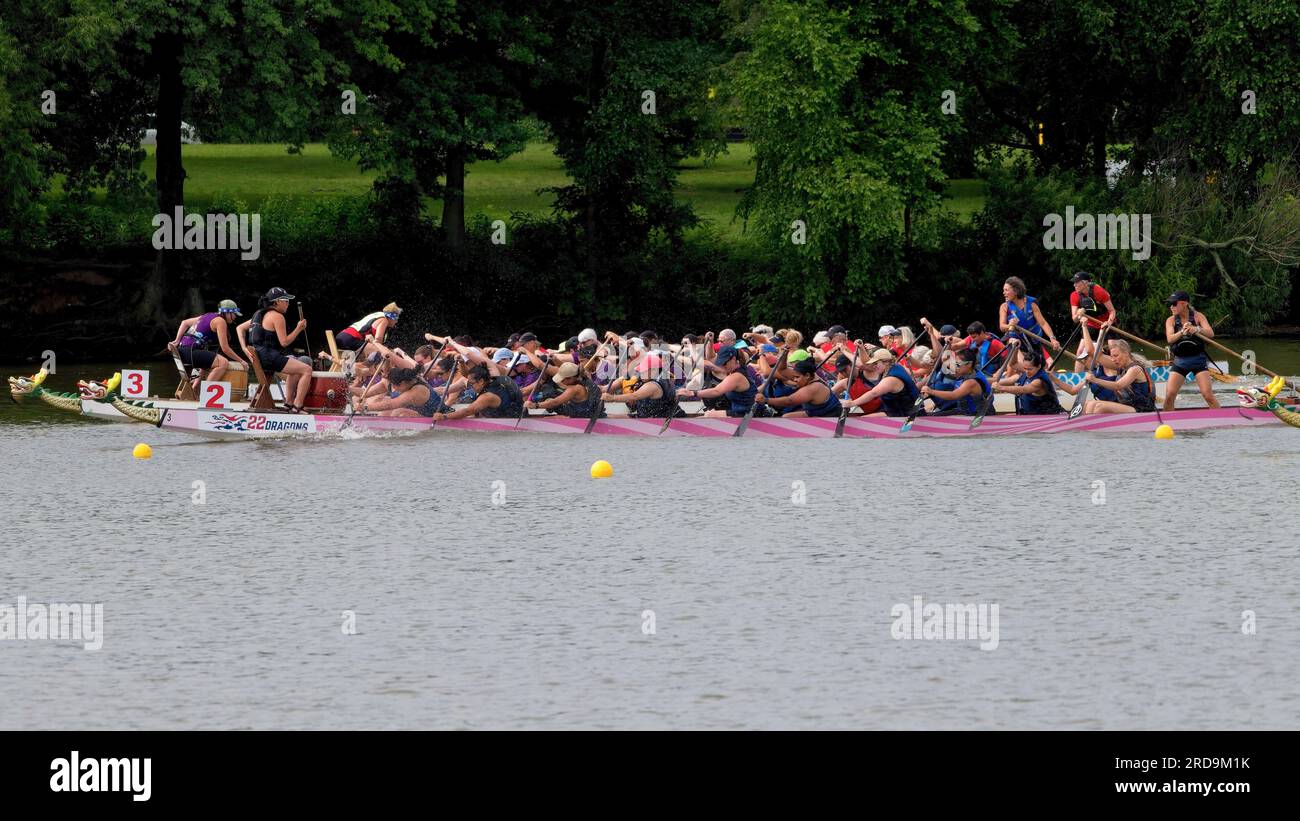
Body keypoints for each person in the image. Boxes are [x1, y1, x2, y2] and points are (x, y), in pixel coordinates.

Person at [239, 287, 311, 412]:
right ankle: (297, 405)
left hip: (261, 357)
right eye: (286, 301)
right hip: (269, 357)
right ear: (277, 301)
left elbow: (239, 328)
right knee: (306, 370)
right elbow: (284, 342)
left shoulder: (260, 314)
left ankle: (288, 403)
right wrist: (298, 329)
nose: (288, 304)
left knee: (294, 370)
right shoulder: (278, 317)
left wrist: (244, 347)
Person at [169, 299, 248, 391]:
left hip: (182, 351)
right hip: (190, 352)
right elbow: (225, 348)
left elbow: (185, 322)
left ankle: (195, 389)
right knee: (223, 363)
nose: (235, 317)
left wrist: (177, 340)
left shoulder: (207, 315)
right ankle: (206, 394)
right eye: (234, 314)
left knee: (208, 362)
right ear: (227, 313)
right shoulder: (220, 321)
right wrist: (241, 361)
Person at [1163, 290, 1220, 410]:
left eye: (1174, 303)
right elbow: (1170, 339)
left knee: (1207, 395)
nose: (1171, 307)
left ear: (1184, 304)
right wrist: (1182, 332)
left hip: (1198, 361)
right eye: (1170, 304)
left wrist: (1197, 329)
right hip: (1180, 362)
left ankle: (1221, 418)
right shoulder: (1171, 320)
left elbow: (1210, 333)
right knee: (1169, 396)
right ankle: (1166, 422)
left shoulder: (1198, 316)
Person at [677, 345, 757, 417]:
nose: (722, 366)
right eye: (720, 363)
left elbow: (716, 391)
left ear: (733, 359)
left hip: (747, 414)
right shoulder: (739, 368)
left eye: (724, 363)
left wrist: (693, 393)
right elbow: (710, 359)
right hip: (743, 411)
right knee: (707, 415)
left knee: (709, 415)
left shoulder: (736, 376)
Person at [1083, 338, 1156, 414]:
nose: (1113, 360)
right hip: (1129, 405)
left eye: (1116, 356)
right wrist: (1100, 332)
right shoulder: (1122, 367)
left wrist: (1095, 380)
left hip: (1142, 408)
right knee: (1088, 404)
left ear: (1126, 353)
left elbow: (1118, 385)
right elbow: (1097, 356)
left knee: (1099, 408)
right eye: (1111, 356)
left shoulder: (1135, 369)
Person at [755, 358, 841, 417]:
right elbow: (782, 370)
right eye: (794, 377)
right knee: (785, 417)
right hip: (816, 413)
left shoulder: (813, 388)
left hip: (830, 416)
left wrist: (766, 400)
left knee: (786, 419)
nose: (794, 380)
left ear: (807, 375)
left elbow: (789, 401)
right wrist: (785, 354)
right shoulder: (811, 375)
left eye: (797, 377)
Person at [844, 348, 920, 416]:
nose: (873, 366)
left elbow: (873, 393)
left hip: (905, 416)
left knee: (861, 422)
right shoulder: (896, 366)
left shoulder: (890, 380)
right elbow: (864, 363)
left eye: (876, 363)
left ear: (886, 362)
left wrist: (852, 403)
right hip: (897, 411)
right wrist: (861, 348)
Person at [999, 276, 1060, 359]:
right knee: (1022, 365)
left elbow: (1043, 323)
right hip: (1017, 342)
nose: (1004, 293)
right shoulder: (1004, 307)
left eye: (1006, 290)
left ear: (1016, 291)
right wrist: (1010, 325)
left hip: (1034, 340)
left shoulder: (1031, 303)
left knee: (1049, 365)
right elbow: (1002, 327)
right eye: (1003, 290)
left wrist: (1052, 338)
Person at [432, 364, 523, 420]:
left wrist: (444, 417)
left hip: (508, 422)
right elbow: (443, 390)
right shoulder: (495, 379)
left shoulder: (487, 397)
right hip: (516, 414)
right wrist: (462, 362)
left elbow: (468, 411)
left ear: (481, 381)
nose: (469, 387)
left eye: (471, 384)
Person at [992, 346, 1064, 415]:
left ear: (1039, 366)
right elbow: (1013, 364)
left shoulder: (1038, 382)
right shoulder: (1029, 370)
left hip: (1046, 417)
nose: (1026, 371)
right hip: (1029, 414)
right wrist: (1016, 349)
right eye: (1024, 368)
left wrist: (1001, 388)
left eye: (1029, 369)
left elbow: (1022, 389)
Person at [601, 355, 678, 418]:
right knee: (608, 417)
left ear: (654, 370)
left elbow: (634, 396)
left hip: (658, 421)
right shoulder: (655, 379)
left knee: (610, 418)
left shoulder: (653, 386)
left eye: (644, 370)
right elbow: (604, 389)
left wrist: (612, 398)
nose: (641, 372)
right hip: (647, 418)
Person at [1068, 272, 1117, 370]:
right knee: (1081, 352)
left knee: (1114, 350)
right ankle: (1078, 379)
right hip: (1090, 324)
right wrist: (1079, 314)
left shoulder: (1099, 292)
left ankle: (1117, 372)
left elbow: (1112, 311)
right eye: (1074, 283)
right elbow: (1074, 319)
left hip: (1106, 323)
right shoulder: (1074, 295)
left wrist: (1109, 323)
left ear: (1085, 283)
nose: (1074, 285)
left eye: (1077, 282)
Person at [920, 348, 990, 415]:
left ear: (969, 364)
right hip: (965, 411)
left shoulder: (971, 382)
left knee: (932, 418)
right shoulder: (968, 371)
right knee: (932, 415)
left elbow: (953, 395)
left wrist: (931, 391)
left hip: (977, 415)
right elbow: (947, 366)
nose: (955, 367)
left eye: (957, 364)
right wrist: (945, 360)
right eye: (955, 363)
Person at [360, 366, 443, 417]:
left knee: (398, 412)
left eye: (394, 386)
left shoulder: (416, 391)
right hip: (425, 414)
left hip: (438, 417)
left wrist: (366, 407)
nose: (394, 389)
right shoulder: (411, 379)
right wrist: (387, 360)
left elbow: (391, 404)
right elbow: (388, 363)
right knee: (385, 412)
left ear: (402, 383)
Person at [531, 361, 603, 417]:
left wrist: (535, 405)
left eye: (562, 379)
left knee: (548, 394)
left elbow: (555, 402)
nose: (560, 381)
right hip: (587, 411)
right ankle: (534, 398)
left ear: (571, 378)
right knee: (550, 391)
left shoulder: (574, 389)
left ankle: (533, 399)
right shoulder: (584, 379)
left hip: (579, 415)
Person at [335, 303, 402, 355]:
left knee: (375, 351)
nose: (397, 321)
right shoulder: (384, 320)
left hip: (341, 337)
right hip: (350, 339)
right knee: (381, 352)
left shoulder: (377, 314)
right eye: (397, 318)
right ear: (391, 317)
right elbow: (378, 338)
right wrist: (382, 349)